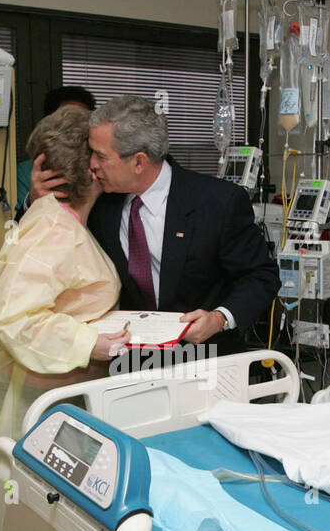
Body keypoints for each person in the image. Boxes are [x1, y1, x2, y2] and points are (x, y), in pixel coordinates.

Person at [0, 105, 127, 531]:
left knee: (47, 514)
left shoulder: (55, 219)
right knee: (47, 515)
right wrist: (91, 344)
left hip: (51, 386)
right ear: (89, 168)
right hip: (41, 391)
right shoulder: (54, 228)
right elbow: (16, 316)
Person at [31, 94, 278, 356]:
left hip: (204, 358)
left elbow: (261, 276)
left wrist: (219, 318)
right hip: (126, 361)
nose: (91, 164)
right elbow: (51, 241)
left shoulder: (217, 203)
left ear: (139, 161)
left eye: (101, 156)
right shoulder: (99, 200)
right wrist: (37, 200)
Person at [15, 85, 96, 213]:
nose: (76, 127)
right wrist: (32, 201)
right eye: (68, 120)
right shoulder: (28, 172)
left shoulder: (99, 165)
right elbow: (19, 229)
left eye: (83, 119)